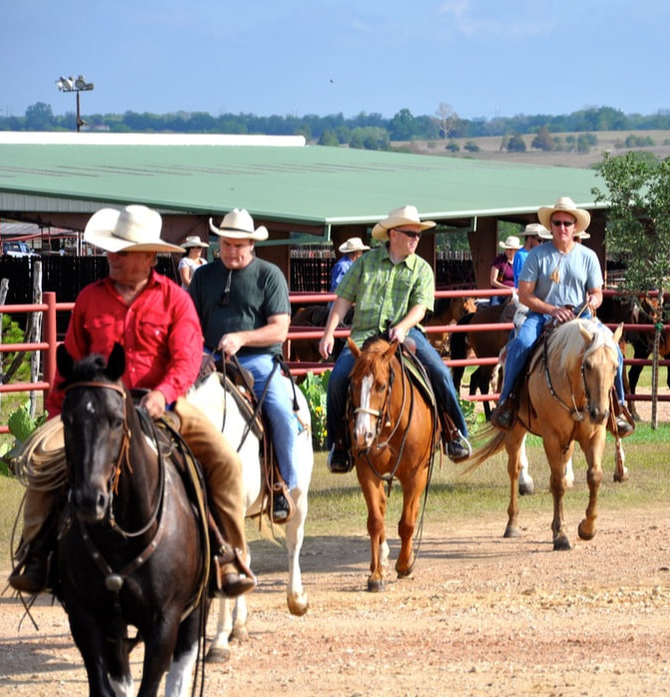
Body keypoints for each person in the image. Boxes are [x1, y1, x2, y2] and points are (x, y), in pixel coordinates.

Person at [8, 205, 256, 598]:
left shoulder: (175, 300)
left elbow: (187, 357)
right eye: (112, 250)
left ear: (149, 257)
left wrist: (164, 393)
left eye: (122, 251)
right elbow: (71, 359)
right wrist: (59, 414)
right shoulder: (90, 299)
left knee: (225, 460)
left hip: (161, 407)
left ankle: (229, 557)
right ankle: (35, 553)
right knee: (43, 463)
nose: (113, 257)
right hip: (98, 410)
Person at [317, 204, 472, 472]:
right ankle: (339, 444)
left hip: (407, 334)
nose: (416, 238)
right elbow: (343, 300)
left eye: (418, 234)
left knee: (439, 371)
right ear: (393, 235)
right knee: (338, 379)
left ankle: (454, 433)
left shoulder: (422, 269)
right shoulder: (365, 263)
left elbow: (420, 308)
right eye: (410, 233)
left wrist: (402, 327)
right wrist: (329, 332)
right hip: (365, 336)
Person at [188, 208, 298, 523]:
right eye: (226, 244)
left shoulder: (269, 275)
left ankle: (281, 485)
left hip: (258, 358)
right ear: (217, 243)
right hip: (208, 355)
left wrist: (242, 338)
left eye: (239, 245)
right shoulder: (203, 276)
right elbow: (189, 322)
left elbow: (280, 329)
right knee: (173, 403)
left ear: (252, 245)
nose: (232, 251)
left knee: (278, 408)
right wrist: (198, 351)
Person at [489, 196, 632, 435]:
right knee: (522, 344)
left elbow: (597, 293)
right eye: (557, 223)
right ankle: (508, 402)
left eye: (567, 223)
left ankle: (618, 409)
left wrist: (593, 300)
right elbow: (524, 295)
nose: (562, 228)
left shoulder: (588, 256)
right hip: (542, 316)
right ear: (551, 226)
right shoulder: (537, 256)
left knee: (613, 349)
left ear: (575, 226)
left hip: (582, 318)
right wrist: (552, 309)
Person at [488, 235, 521, 305]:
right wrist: (508, 288)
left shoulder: (519, 262)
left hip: (515, 293)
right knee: (494, 309)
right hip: (498, 293)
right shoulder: (499, 260)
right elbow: (493, 281)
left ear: (516, 250)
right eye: (507, 249)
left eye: (511, 249)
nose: (508, 251)